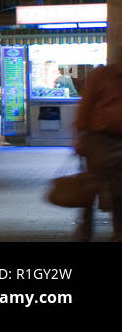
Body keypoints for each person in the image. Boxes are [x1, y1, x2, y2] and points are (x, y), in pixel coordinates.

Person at [74, 60, 122, 241]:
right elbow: (85, 108)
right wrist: (79, 137)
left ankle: (118, 232)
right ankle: (85, 231)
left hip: (113, 139)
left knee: (119, 190)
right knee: (91, 186)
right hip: (99, 139)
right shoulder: (101, 76)